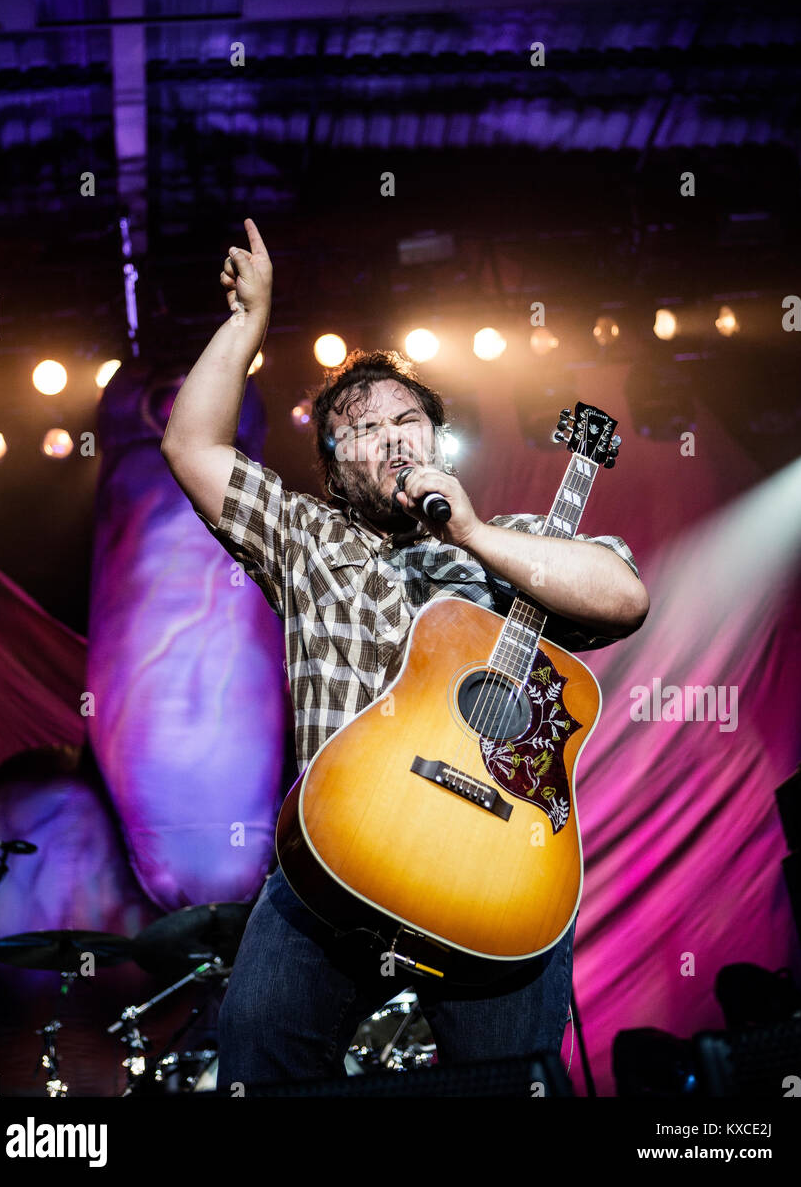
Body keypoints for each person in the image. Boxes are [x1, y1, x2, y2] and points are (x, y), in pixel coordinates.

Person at [161, 219, 649, 1089]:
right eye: (361, 428)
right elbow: (191, 447)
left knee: (515, 1082)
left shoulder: (511, 545)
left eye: (408, 420)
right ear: (331, 464)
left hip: (493, 872)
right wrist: (249, 324)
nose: (391, 437)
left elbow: (623, 596)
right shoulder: (306, 536)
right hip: (334, 868)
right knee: (259, 1063)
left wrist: (473, 534)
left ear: (436, 440)